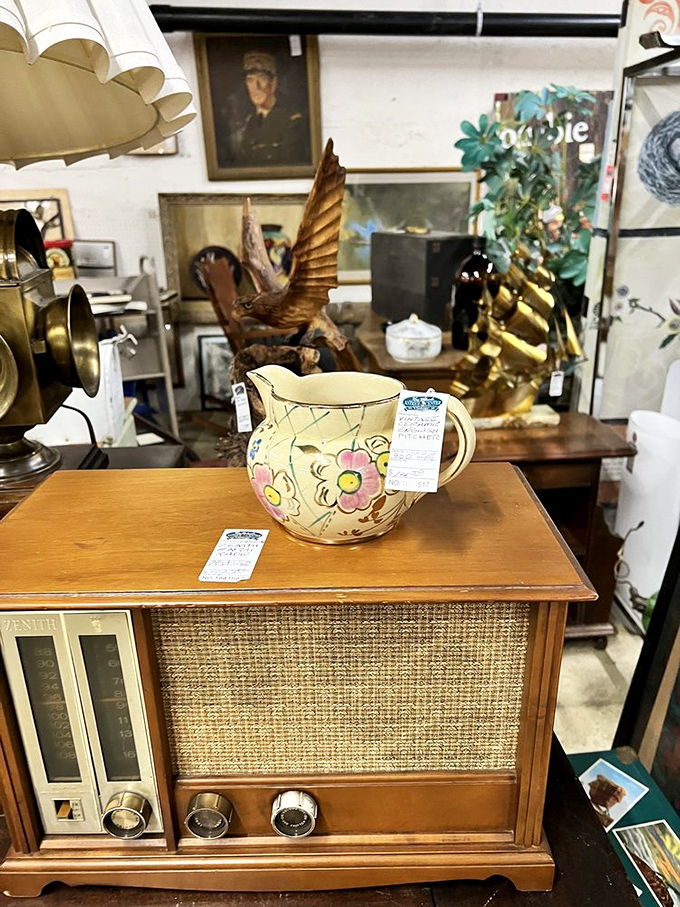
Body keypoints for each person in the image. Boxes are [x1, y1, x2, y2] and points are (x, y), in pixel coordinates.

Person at [235, 51, 308, 167]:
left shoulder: (291, 122)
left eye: (261, 79)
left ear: (273, 83)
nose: (256, 87)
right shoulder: (249, 123)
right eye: (250, 80)